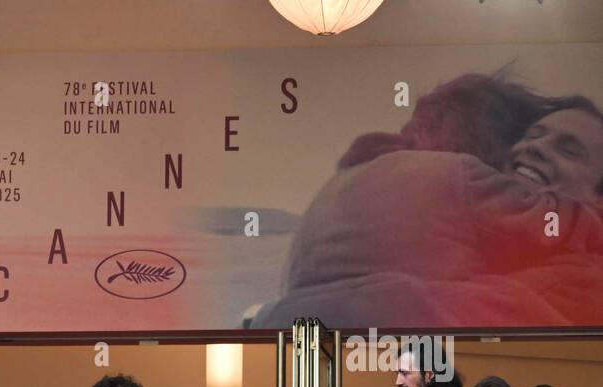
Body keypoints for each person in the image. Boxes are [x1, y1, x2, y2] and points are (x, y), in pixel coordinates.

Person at [253, 75, 603, 328]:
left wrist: (277, 317)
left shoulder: (583, 279)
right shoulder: (466, 183)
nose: (536, 147)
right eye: (531, 135)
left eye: (569, 149)